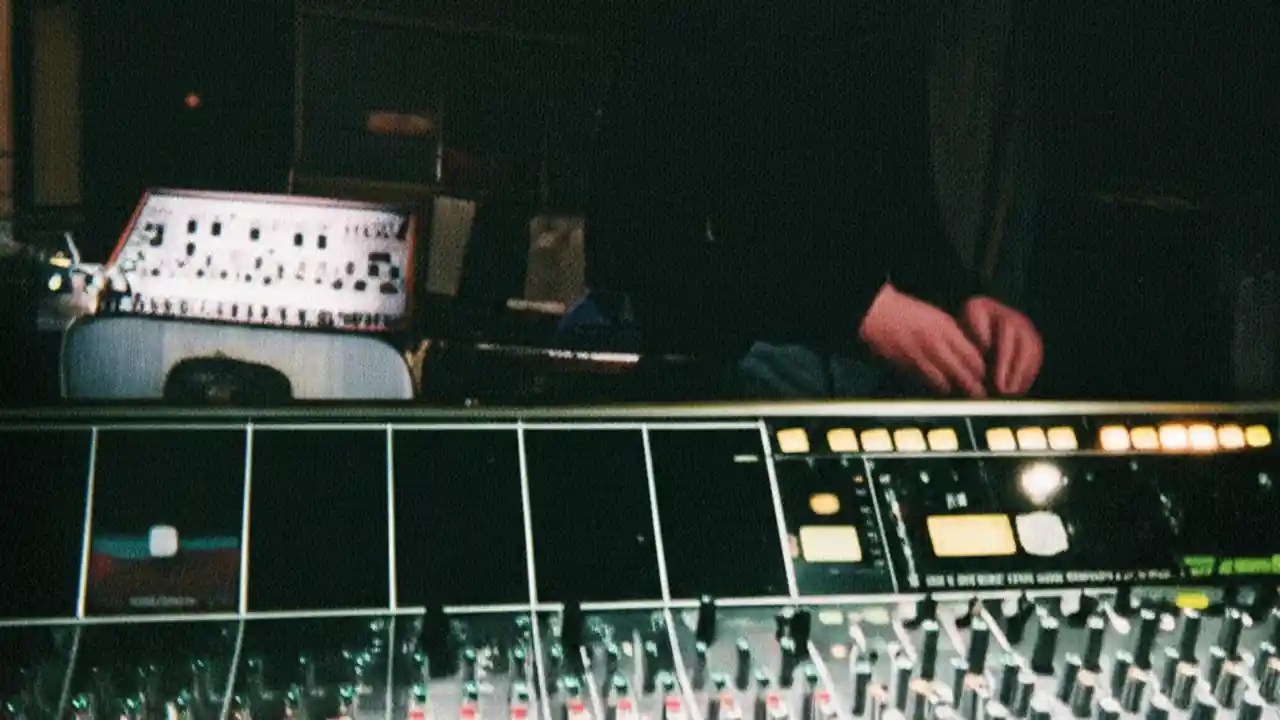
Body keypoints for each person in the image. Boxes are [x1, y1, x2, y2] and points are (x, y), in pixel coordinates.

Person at [565, 1, 1043, 399]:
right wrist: (853, 309)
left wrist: (968, 297)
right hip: (714, 371)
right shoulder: (688, 21)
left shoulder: (883, 23)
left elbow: (907, 220)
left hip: (847, 378)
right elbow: (638, 248)